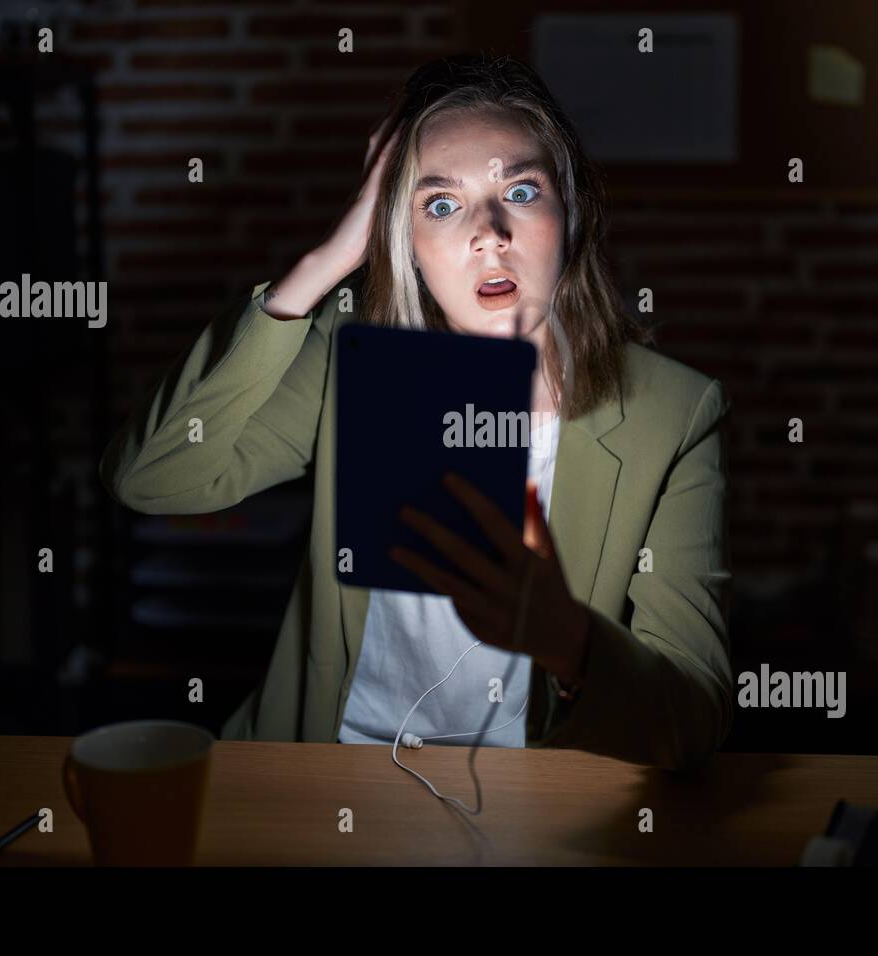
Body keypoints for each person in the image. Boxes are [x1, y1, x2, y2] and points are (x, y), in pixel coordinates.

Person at [99, 53, 734, 774]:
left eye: (520, 190)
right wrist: (326, 262)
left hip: (546, 802)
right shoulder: (352, 362)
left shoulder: (673, 415)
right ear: (403, 243)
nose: (488, 233)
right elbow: (152, 479)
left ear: (571, 211)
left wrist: (570, 643)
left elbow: (694, 717)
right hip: (324, 782)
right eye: (440, 204)